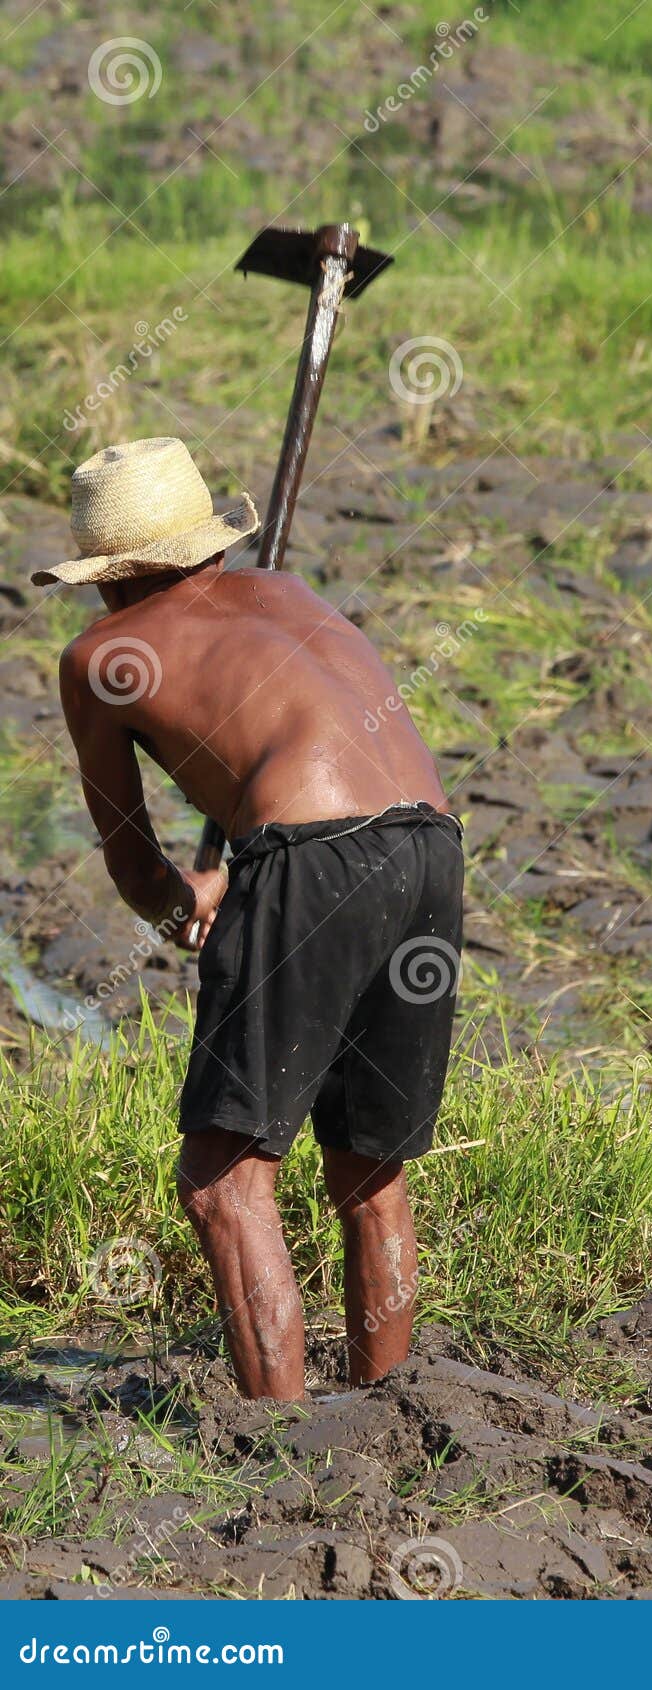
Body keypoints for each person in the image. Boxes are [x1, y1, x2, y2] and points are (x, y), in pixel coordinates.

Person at [35, 437, 464, 1401]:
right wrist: (252, 868)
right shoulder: (293, 593)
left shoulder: (101, 655)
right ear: (211, 545)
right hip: (429, 843)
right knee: (369, 1172)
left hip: (311, 860)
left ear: (107, 579)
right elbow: (323, 779)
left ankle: (280, 1451)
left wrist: (183, 903)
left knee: (225, 1183)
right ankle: (383, 1416)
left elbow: (135, 857)